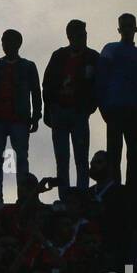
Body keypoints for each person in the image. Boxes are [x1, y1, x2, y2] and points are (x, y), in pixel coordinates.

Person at [0, 30, 42, 204]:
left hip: (19, 119)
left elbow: (36, 93)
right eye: (4, 41)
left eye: (9, 41)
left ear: (18, 43)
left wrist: (36, 116)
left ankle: (23, 196)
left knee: (21, 157)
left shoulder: (28, 66)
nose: (5, 45)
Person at [43, 19, 100, 194]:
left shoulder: (93, 57)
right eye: (78, 34)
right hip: (59, 112)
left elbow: (98, 85)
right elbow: (47, 83)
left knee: (81, 158)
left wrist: (88, 108)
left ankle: (82, 193)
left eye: (84, 34)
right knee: (62, 158)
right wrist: (50, 108)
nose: (82, 37)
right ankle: (65, 194)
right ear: (69, 37)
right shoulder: (59, 55)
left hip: (79, 113)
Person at [95, 13, 137, 184]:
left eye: (129, 25)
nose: (126, 29)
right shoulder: (110, 49)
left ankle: (132, 188)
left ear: (136, 28)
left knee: (135, 153)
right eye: (123, 26)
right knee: (114, 153)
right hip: (115, 109)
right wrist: (103, 107)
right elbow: (100, 78)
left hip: (134, 109)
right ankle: (115, 189)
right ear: (119, 29)